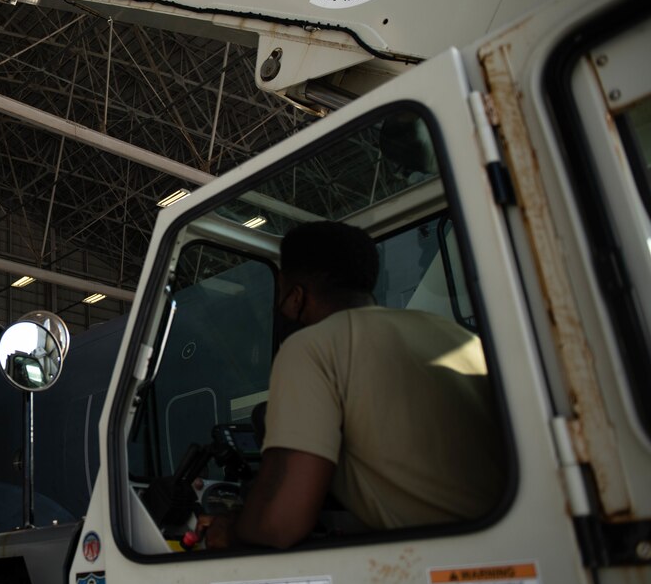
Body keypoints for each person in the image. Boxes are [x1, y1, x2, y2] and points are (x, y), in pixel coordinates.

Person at [203, 221, 503, 549]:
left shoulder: (313, 346)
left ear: (295, 295)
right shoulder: (451, 333)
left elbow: (280, 524)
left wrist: (227, 531)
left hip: (446, 560)